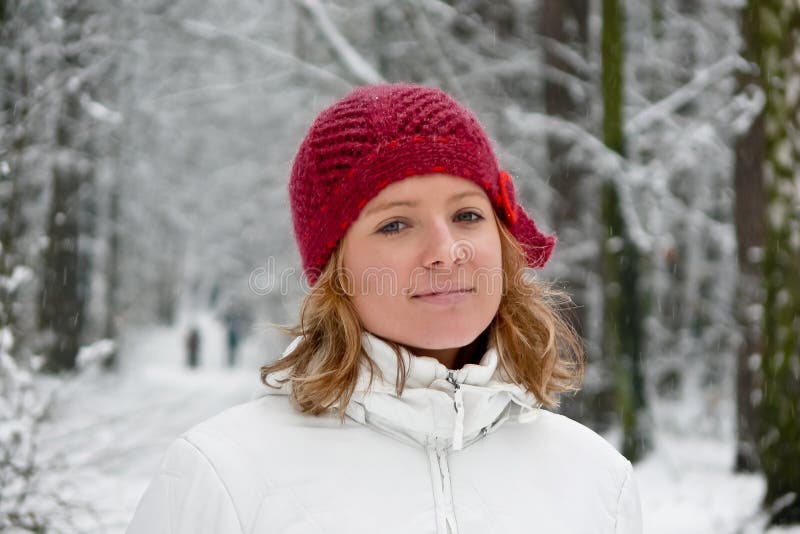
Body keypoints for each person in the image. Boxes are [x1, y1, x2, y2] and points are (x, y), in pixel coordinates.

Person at [127, 83, 642, 533]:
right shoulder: (224, 476)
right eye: (395, 224)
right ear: (335, 269)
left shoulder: (596, 480)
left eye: (467, 214)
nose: (447, 249)